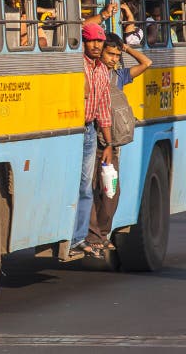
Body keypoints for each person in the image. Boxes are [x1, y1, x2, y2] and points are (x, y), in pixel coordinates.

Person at [85, 33, 152, 256]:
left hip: (110, 142)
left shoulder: (119, 76)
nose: (114, 58)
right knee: (92, 188)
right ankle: (95, 237)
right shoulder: (93, 72)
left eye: (116, 55)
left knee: (110, 190)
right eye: (110, 53)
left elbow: (146, 63)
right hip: (93, 139)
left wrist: (126, 48)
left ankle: (102, 234)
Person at [70, 22, 113, 258]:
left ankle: (78, 238)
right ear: (83, 42)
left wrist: (109, 144)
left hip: (89, 132)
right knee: (71, 184)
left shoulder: (102, 70)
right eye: (91, 41)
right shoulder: (78, 65)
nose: (96, 45)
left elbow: (104, 110)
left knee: (85, 188)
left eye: (99, 41)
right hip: (72, 130)